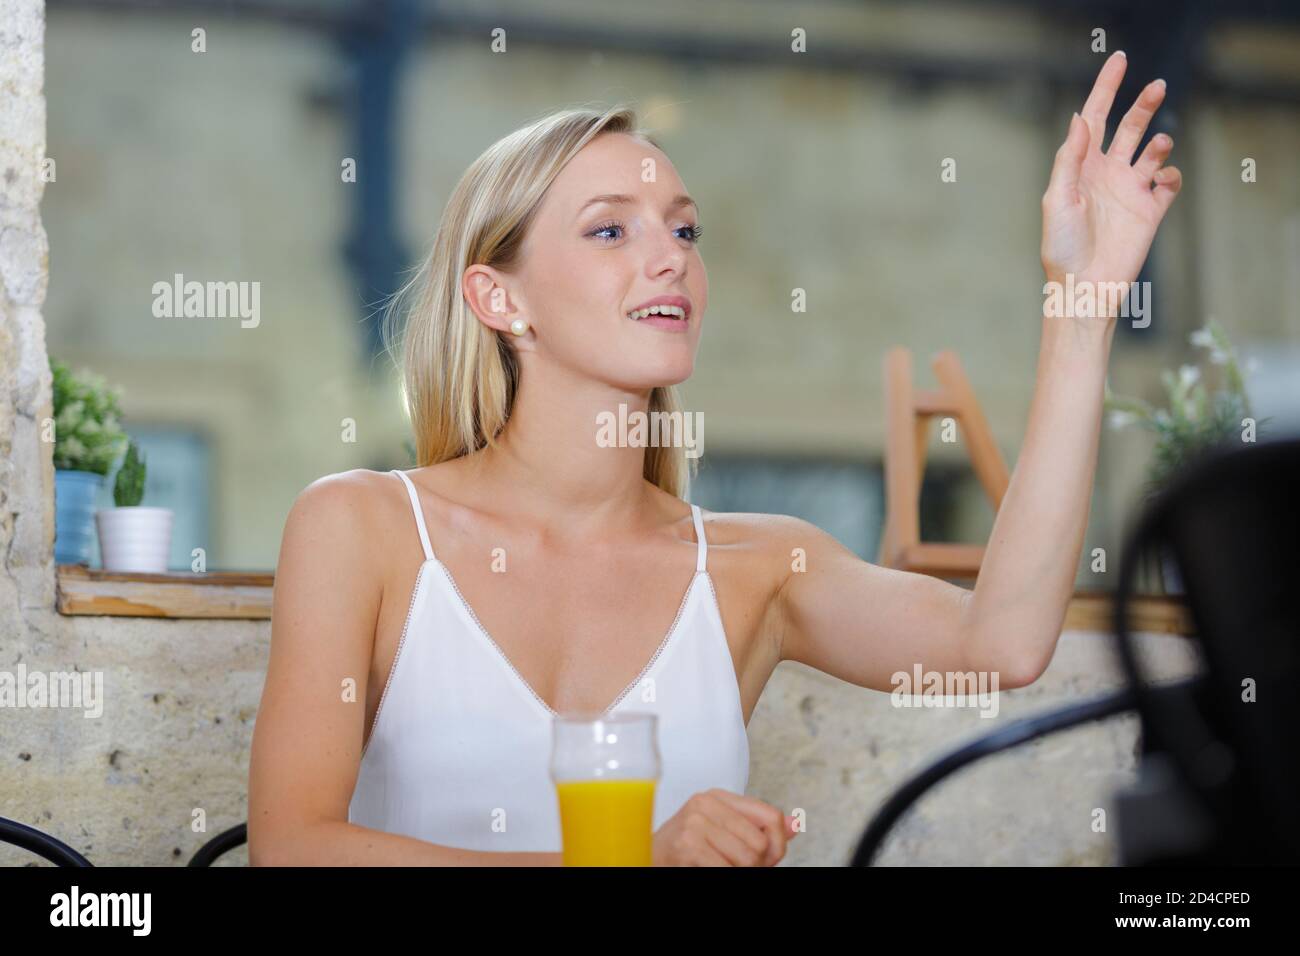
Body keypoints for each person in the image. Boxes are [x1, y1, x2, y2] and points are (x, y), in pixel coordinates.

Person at [248, 51, 1180, 866]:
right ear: (499, 299)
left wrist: (1084, 300)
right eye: (611, 229)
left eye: (685, 229)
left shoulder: (759, 568)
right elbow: (292, 850)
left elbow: (1002, 644)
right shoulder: (361, 526)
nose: (671, 259)